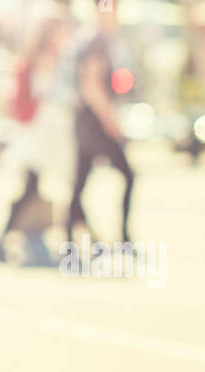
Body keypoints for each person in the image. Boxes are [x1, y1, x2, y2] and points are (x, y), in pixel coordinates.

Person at [0, 13, 69, 263]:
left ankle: (3, 242)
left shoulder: (47, 59)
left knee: (33, 188)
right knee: (31, 188)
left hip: (44, 133)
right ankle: (0, 242)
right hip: (36, 135)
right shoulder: (41, 61)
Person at [66, 2, 133, 244]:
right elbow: (92, 86)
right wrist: (111, 122)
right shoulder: (97, 40)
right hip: (94, 120)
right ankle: (124, 237)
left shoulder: (88, 37)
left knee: (80, 181)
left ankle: (70, 239)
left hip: (83, 119)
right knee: (129, 175)